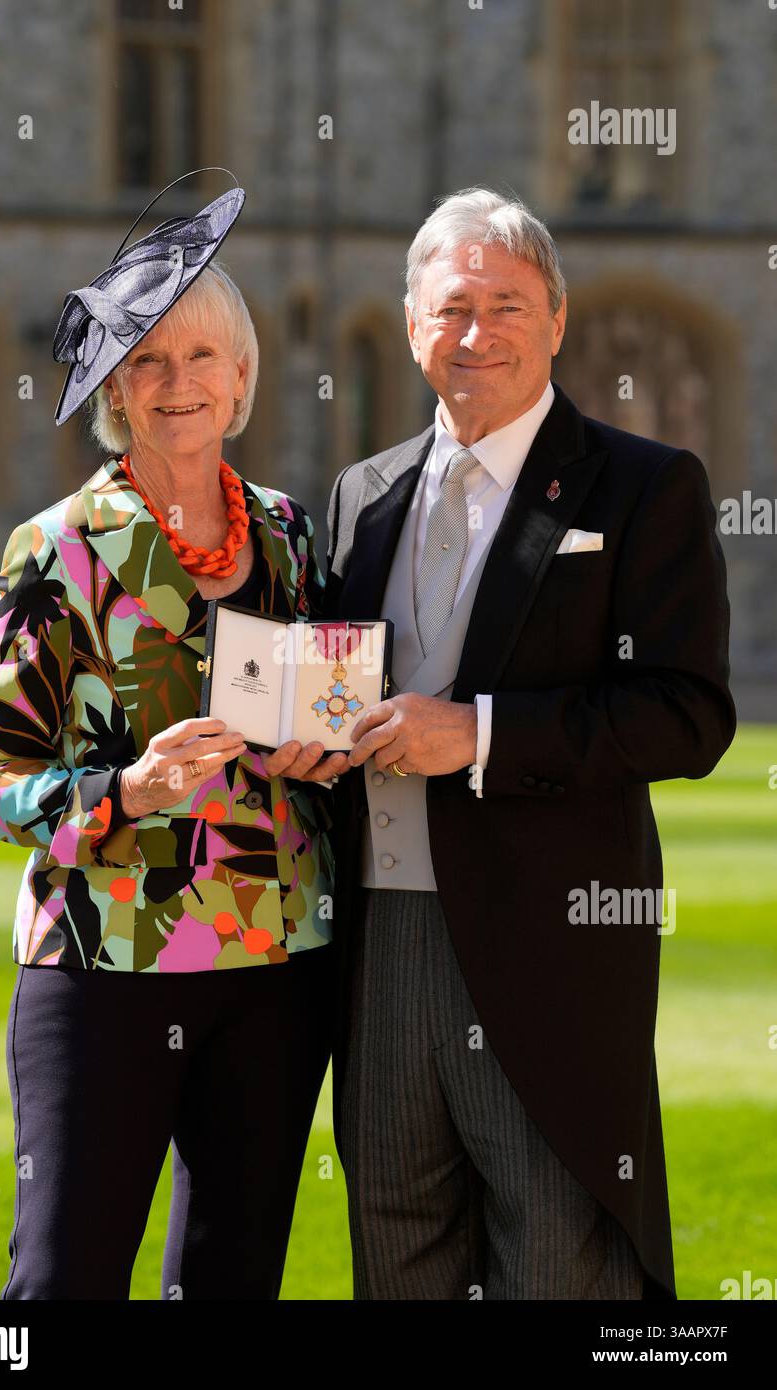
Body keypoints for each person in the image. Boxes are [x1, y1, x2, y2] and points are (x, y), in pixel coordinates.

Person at [323, 186, 736, 1300]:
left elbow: (690, 714)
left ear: (556, 320)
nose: (477, 332)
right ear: (412, 324)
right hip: (377, 940)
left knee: (557, 1259)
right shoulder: (361, 496)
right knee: (396, 1252)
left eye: (506, 304)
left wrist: (481, 734)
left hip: (545, 939)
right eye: (451, 306)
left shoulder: (645, 485)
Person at [0, 177, 344, 1300]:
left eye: (202, 358)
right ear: (117, 388)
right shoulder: (58, 546)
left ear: (242, 375)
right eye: (149, 364)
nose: (179, 386)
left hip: (279, 965)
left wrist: (327, 746)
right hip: (107, 964)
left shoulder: (290, 535)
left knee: (231, 1280)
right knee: (64, 1282)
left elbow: (315, 713)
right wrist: (124, 786)